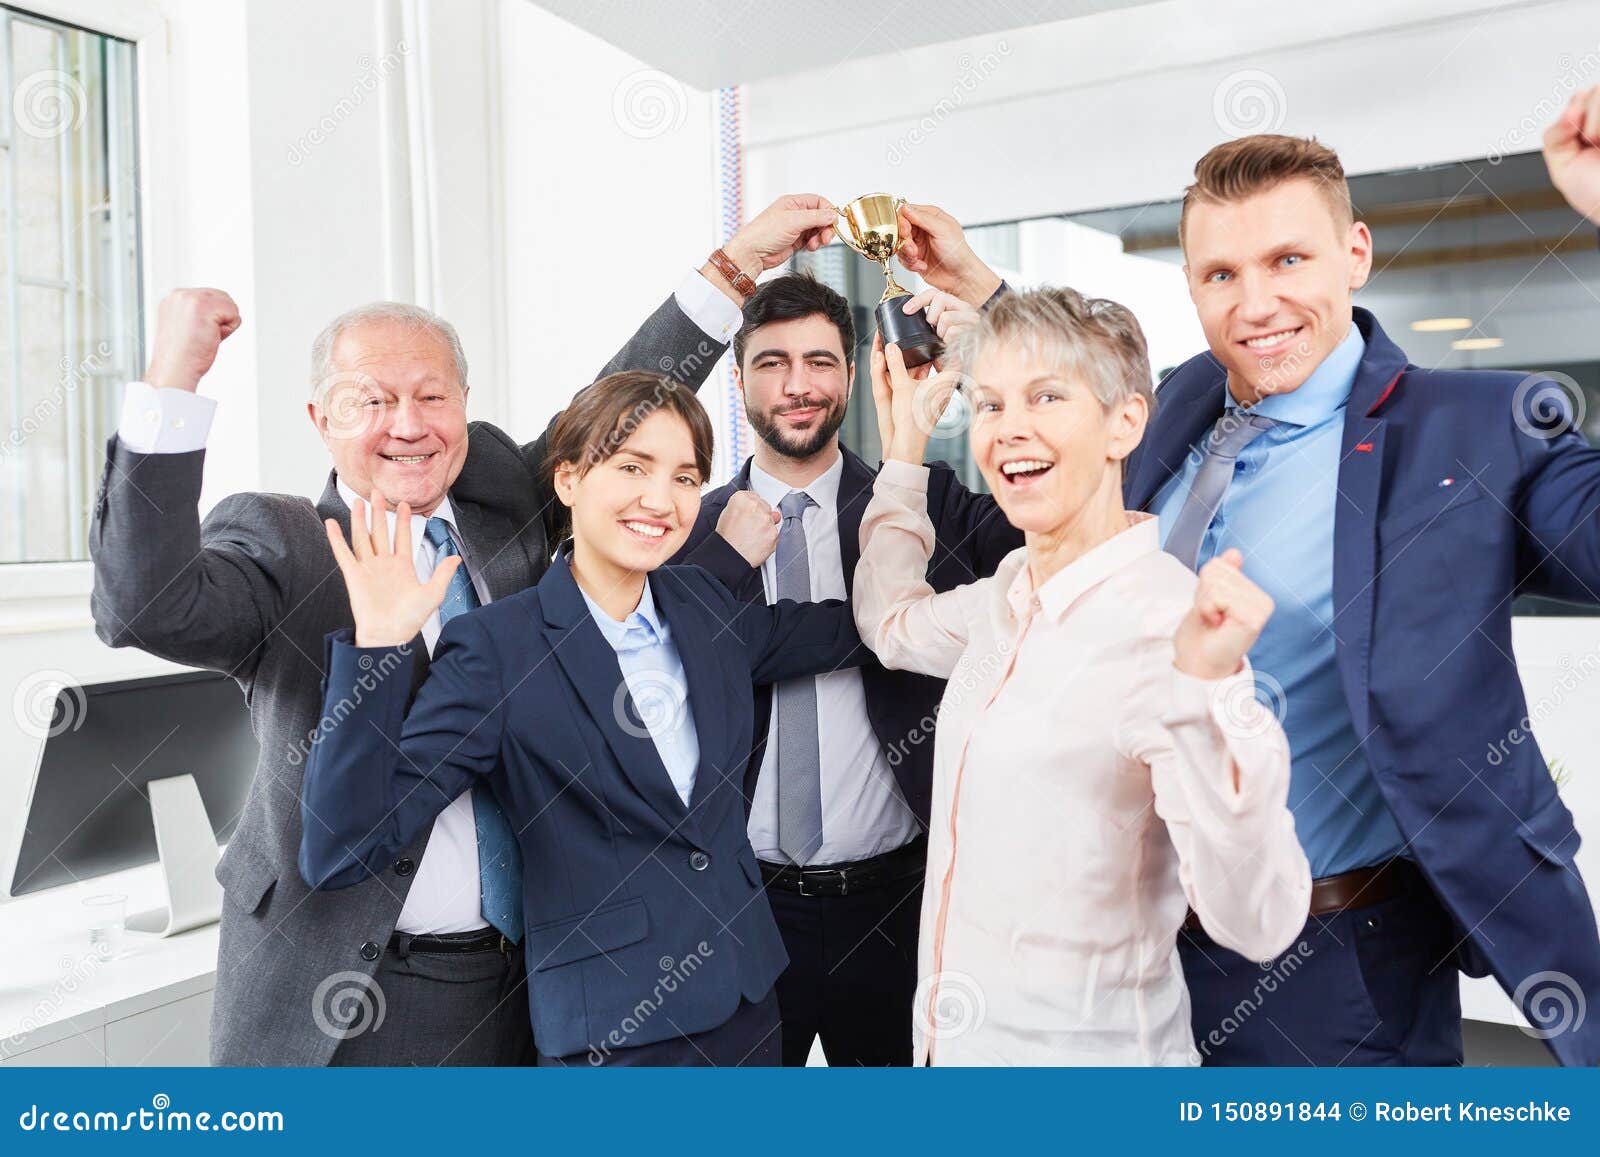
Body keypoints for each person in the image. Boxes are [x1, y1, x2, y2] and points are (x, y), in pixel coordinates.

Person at [87, 194, 841, 1065]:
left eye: (430, 396)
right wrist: (172, 382)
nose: (407, 425)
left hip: (526, 986)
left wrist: (740, 261)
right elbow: (140, 606)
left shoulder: (500, 506)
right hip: (353, 989)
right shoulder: (281, 543)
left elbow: (615, 411)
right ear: (319, 419)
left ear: (464, 405)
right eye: (370, 400)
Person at [907, 131, 1600, 1066]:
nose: (1256, 303)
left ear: (1355, 253)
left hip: (1330, 959)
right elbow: (1083, 395)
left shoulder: (1473, 432)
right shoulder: (1184, 400)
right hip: (1139, 967)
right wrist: (988, 292)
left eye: (1287, 260)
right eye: (1221, 274)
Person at [299, 372, 866, 1066]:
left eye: (686, 477)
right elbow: (344, 847)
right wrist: (377, 647)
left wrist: (999, 595)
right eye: (632, 466)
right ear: (568, 479)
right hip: (614, 1034)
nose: (661, 499)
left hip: (748, 1003)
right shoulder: (501, 647)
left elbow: (856, 631)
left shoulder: (702, 603)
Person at [853, 288, 1310, 1065]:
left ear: (1125, 422)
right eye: (990, 404)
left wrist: (1202, 690)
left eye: (1047, 396)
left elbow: (1260, 921)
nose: (1009, 429)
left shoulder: (1170, 626)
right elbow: (892, 624)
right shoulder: (1005, 595)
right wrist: (902, 450)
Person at [668, 273, 1021, 1065]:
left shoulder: (933, 504)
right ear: (738, 377)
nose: (798, 385)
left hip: (896, 903)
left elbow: (1080, 516)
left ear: (855, 374)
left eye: (821, 361)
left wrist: (1002, 335)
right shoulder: (688, 532)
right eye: (772, 363)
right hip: (742, 906)